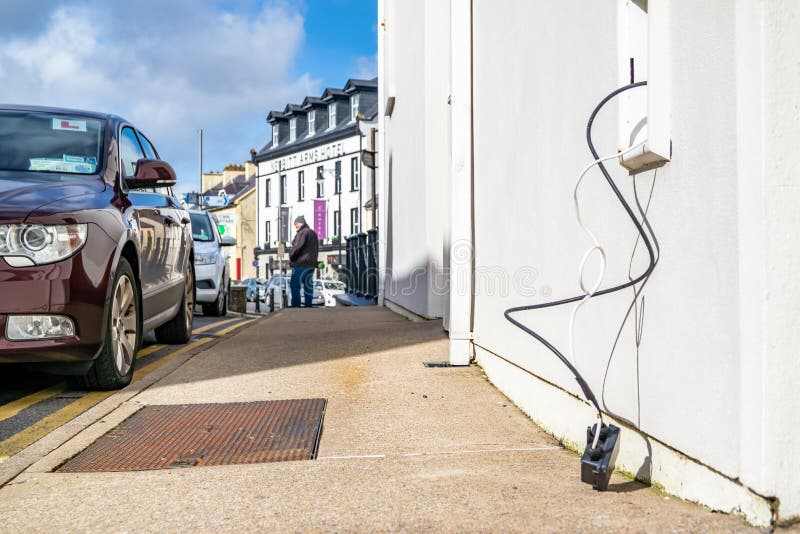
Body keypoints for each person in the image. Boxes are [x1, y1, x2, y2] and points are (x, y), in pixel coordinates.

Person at [288, 215, 319, 308]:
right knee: (308, 285)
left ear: (301, 223)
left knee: (295, 285)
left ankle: (296, 306)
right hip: (311, 264)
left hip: (300, 263)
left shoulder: (302, 233)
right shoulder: (313, 233)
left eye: (296, 224)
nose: (295, 226)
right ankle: (308, 306)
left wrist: (291, 256)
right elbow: (316, 249)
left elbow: (297, 247)